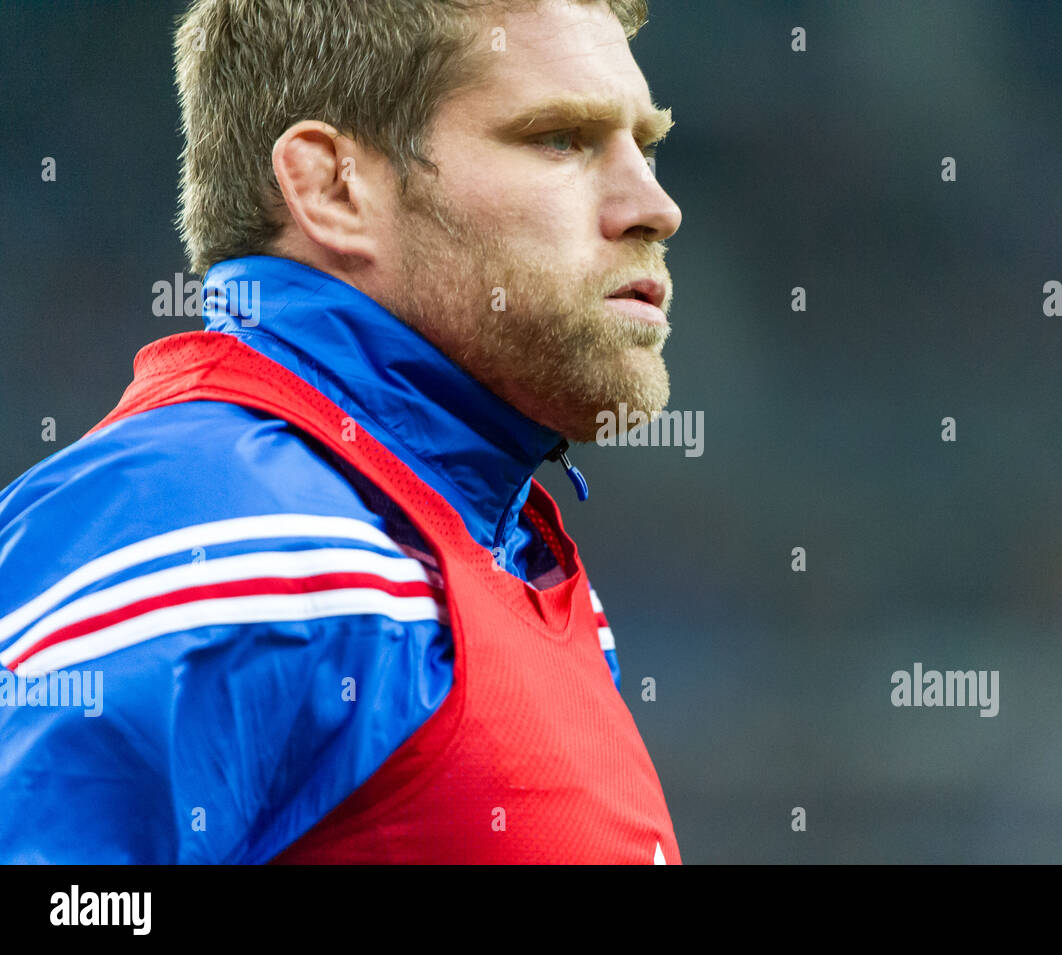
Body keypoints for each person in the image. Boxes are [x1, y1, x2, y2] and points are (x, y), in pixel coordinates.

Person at [0, 0, 683, 864]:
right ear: (332, 187)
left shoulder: (491, 548)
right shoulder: (230, 536)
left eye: (646, 146)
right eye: (560, 138)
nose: (654, 207)